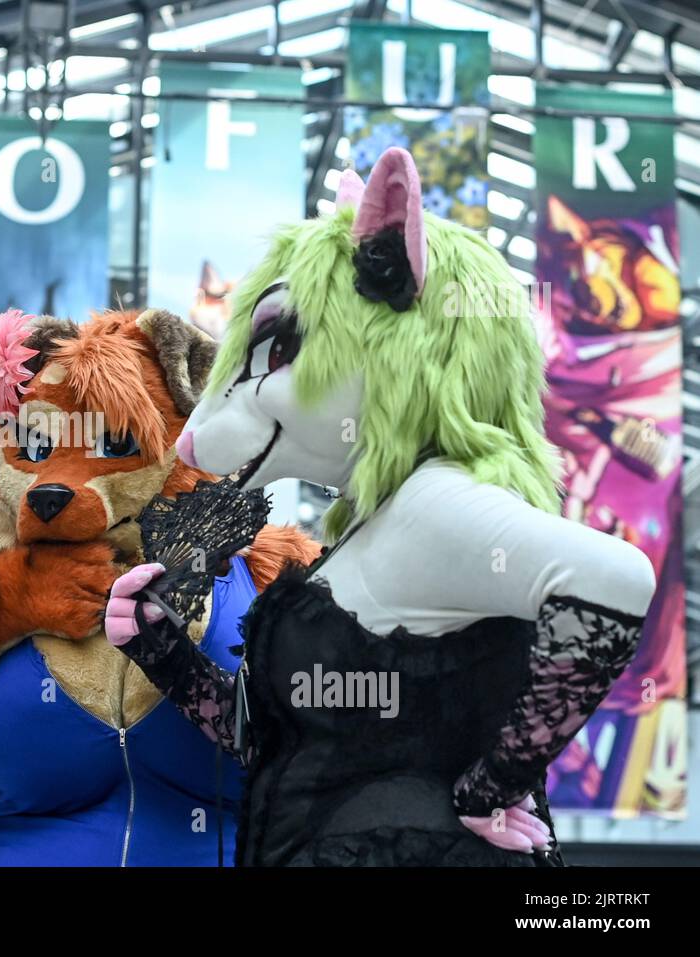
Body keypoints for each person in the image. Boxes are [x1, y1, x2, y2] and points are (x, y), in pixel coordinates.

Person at [106, 147, 656, 866]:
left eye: (274, 350)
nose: (195, 438)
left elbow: (615, 579)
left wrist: (493, 786)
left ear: (398, 339)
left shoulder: (437, 502)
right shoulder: (382, 521)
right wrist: (167, 651)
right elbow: (281, 744)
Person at [0, 307, 317, 865]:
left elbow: (350, 756)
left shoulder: (272, 575)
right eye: (38, 448)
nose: (56, 484)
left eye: (118, 444)